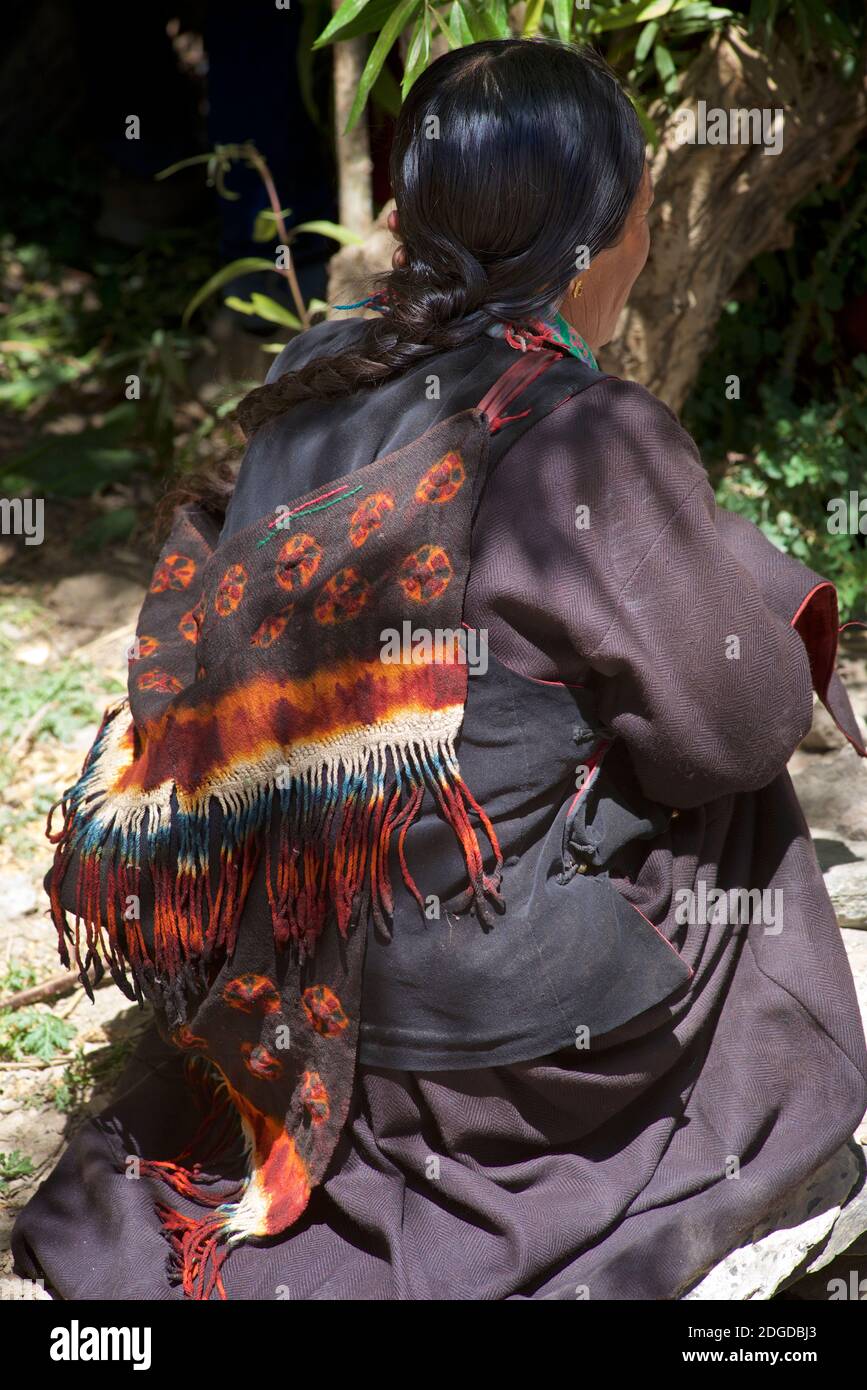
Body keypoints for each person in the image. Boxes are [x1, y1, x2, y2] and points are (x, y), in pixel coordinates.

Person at [13, 38, 867, 1301]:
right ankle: (752, 1103)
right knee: (740, 793)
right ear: (600, 237)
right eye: (637, 215)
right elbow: (736, 732)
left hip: (306, 1014)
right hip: (509, 1070)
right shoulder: (586, 433)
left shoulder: (311, 376)